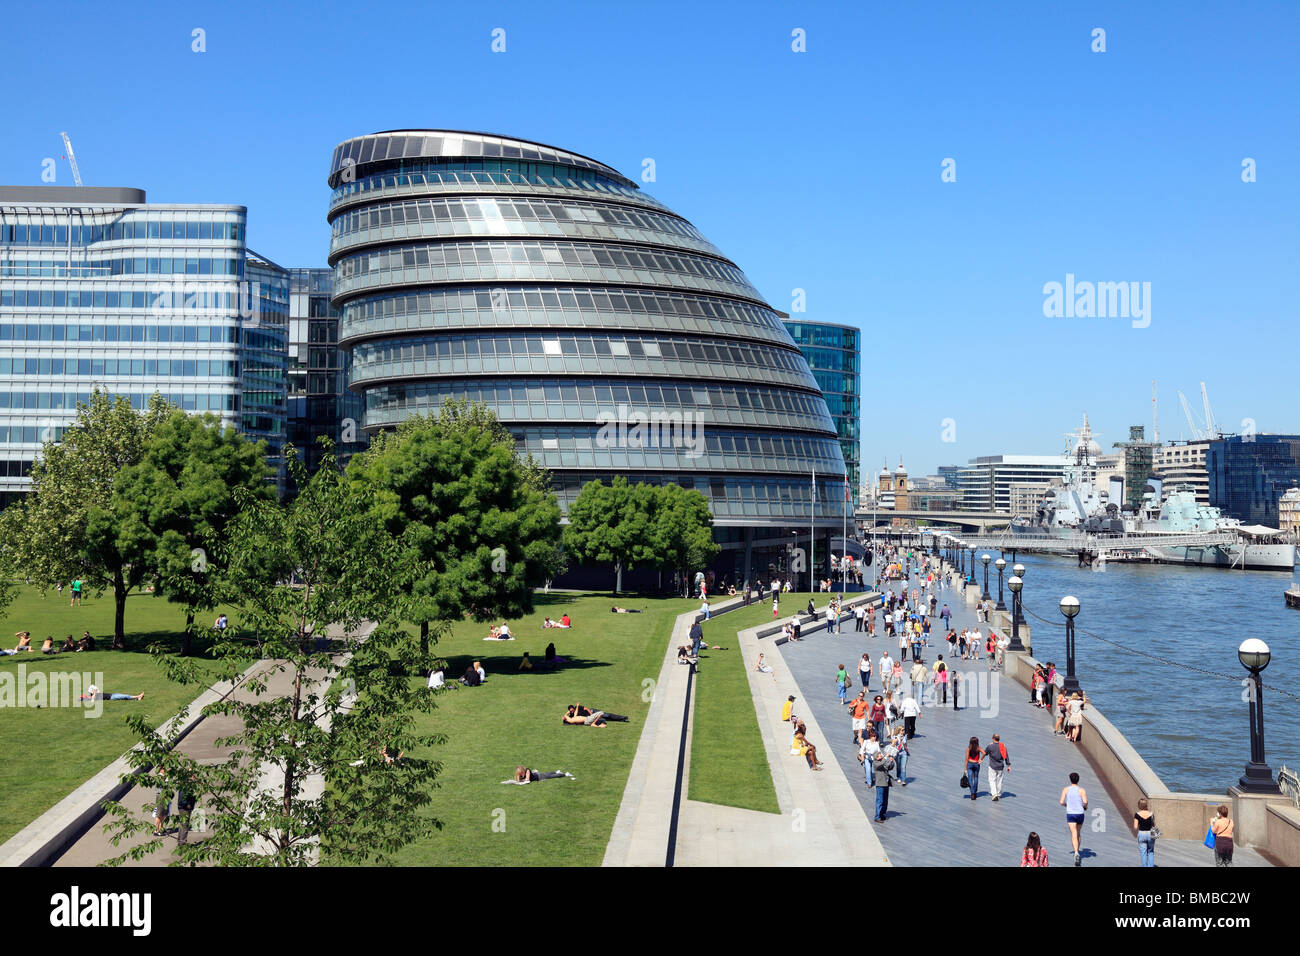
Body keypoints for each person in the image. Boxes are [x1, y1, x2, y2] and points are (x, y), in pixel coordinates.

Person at [1060, 772, 1088, 866]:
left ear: (1070, 779)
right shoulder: (1082, 790)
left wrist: (1066, 805)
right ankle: (1077, 851)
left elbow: (1061, 802)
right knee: (1078, 833)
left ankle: (1076, 852)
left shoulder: (1066, 789)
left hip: (1071, 814)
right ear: (1078, 780)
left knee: (1073, 834)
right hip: (1080, 814)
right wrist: (1085, 807)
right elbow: (1085, 802)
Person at [1133, 797, 1157, 867]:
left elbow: (1135, 827)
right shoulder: (1151, 814)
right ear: (1146, 805)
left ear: (1139, 805)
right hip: (1150, 834)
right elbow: (1154, 824)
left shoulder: (1137, 814)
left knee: (1143, 853)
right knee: (1150, 852)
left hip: (1142, 834)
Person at [986, 733, 1011, 801]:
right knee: (999, 781)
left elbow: (985, 753)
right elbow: (1006, 756)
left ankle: (994, 794)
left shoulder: (990, 746)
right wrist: (1008, 765)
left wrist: (989, 745)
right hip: (1001, 767)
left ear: (993, 739)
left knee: (992, 780)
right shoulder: (1003, 746)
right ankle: (999, 794)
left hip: (992, 766)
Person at [872, 751, 895, 821]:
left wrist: (891, 762)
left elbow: (889, 767)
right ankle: (877, 817)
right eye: (878, 756)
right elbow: (881, 764)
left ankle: (882, 814)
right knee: (880, 800)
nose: (880, 757)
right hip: (880, 784)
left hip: (886, 783)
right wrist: (885, 757)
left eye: (880, 755)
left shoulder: (883, 761)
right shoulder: (875, 763)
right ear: (876, 757)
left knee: (885, 801)